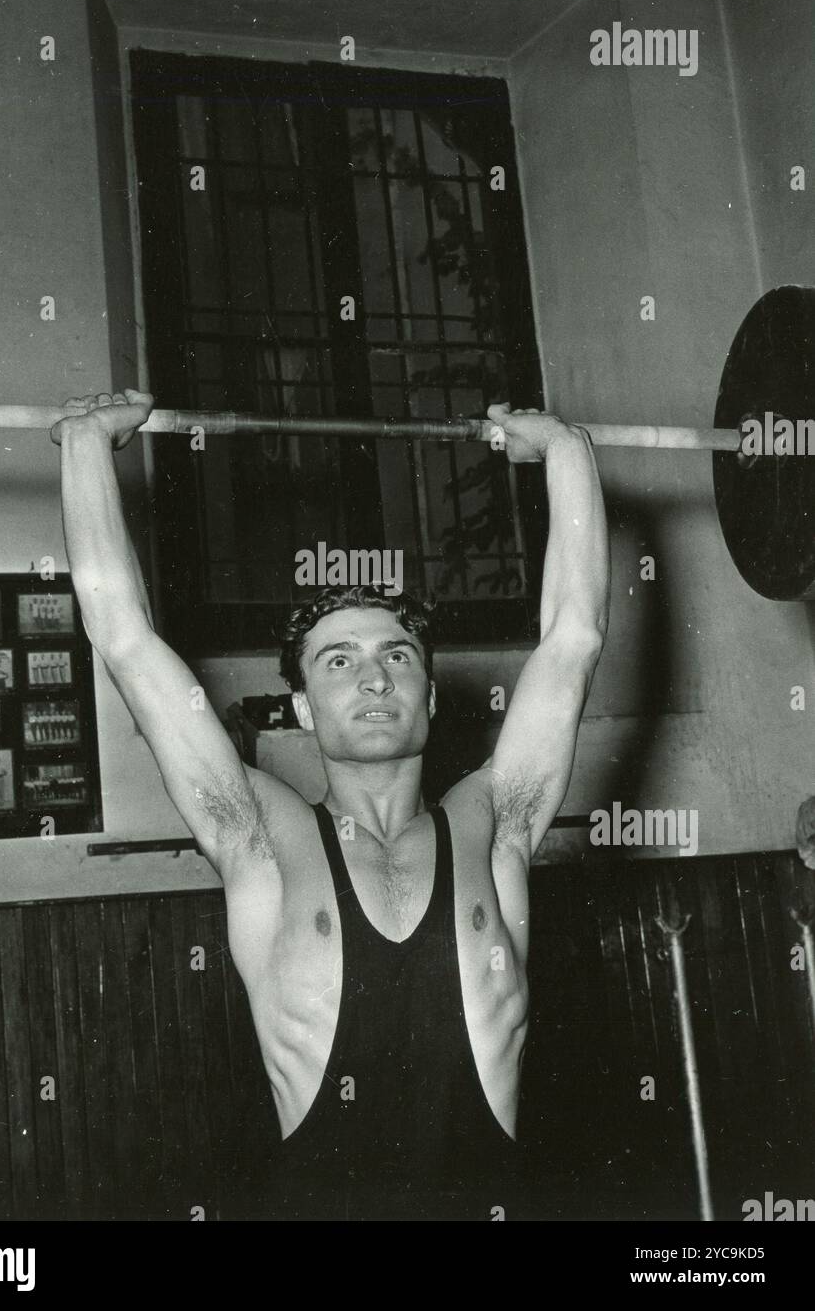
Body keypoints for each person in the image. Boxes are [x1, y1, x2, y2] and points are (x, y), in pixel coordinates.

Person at [54, 389, 609, 1221]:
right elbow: (126, 642)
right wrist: (86, 447)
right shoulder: (259, 838)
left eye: (396, 656)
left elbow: (573, 639)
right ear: (304, 709)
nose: (374, 676)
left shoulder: (493, 824)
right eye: (337, 661)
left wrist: (565, 452)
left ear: (430, 695)